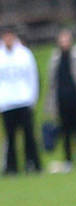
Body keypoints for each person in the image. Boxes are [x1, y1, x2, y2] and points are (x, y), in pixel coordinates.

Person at [45, 29, 76, 172]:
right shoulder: (55, 59)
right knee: (65, 132)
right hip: (62, 101)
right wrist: (51, 104)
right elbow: (52, 83)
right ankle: (68, 160)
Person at [0, 25, 41, 174]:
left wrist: (32, 97)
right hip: (7, 102)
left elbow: (32, 76)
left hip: (23, 100)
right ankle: (11, 167)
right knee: (10, 138)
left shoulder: (24, 54)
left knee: (28, 135)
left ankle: (33, 164)